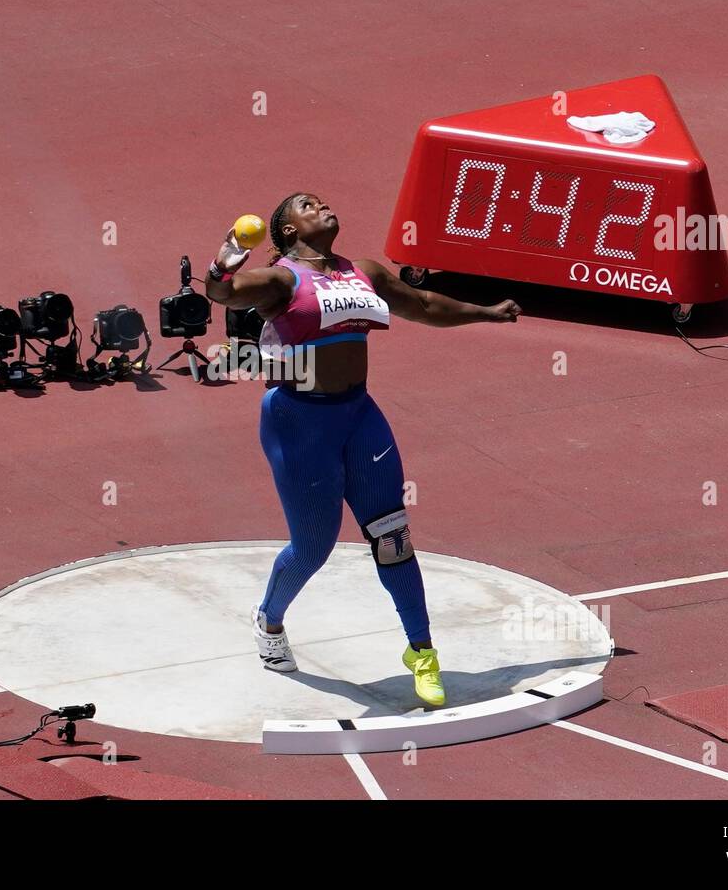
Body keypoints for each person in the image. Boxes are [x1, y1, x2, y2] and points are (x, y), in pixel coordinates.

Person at [205, 192, 521, 706]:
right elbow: (224, 293)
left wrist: (485, 312)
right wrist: (226, 255)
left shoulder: (364, 273)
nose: (323, 205)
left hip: (359, 416)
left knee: (392, 537)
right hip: (298, 421)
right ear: (288, 231)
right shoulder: (282, 280)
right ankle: (270, 620)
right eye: (307, 205)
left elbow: (423, 305)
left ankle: (422, 653)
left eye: (324, 200)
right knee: (313, 548)